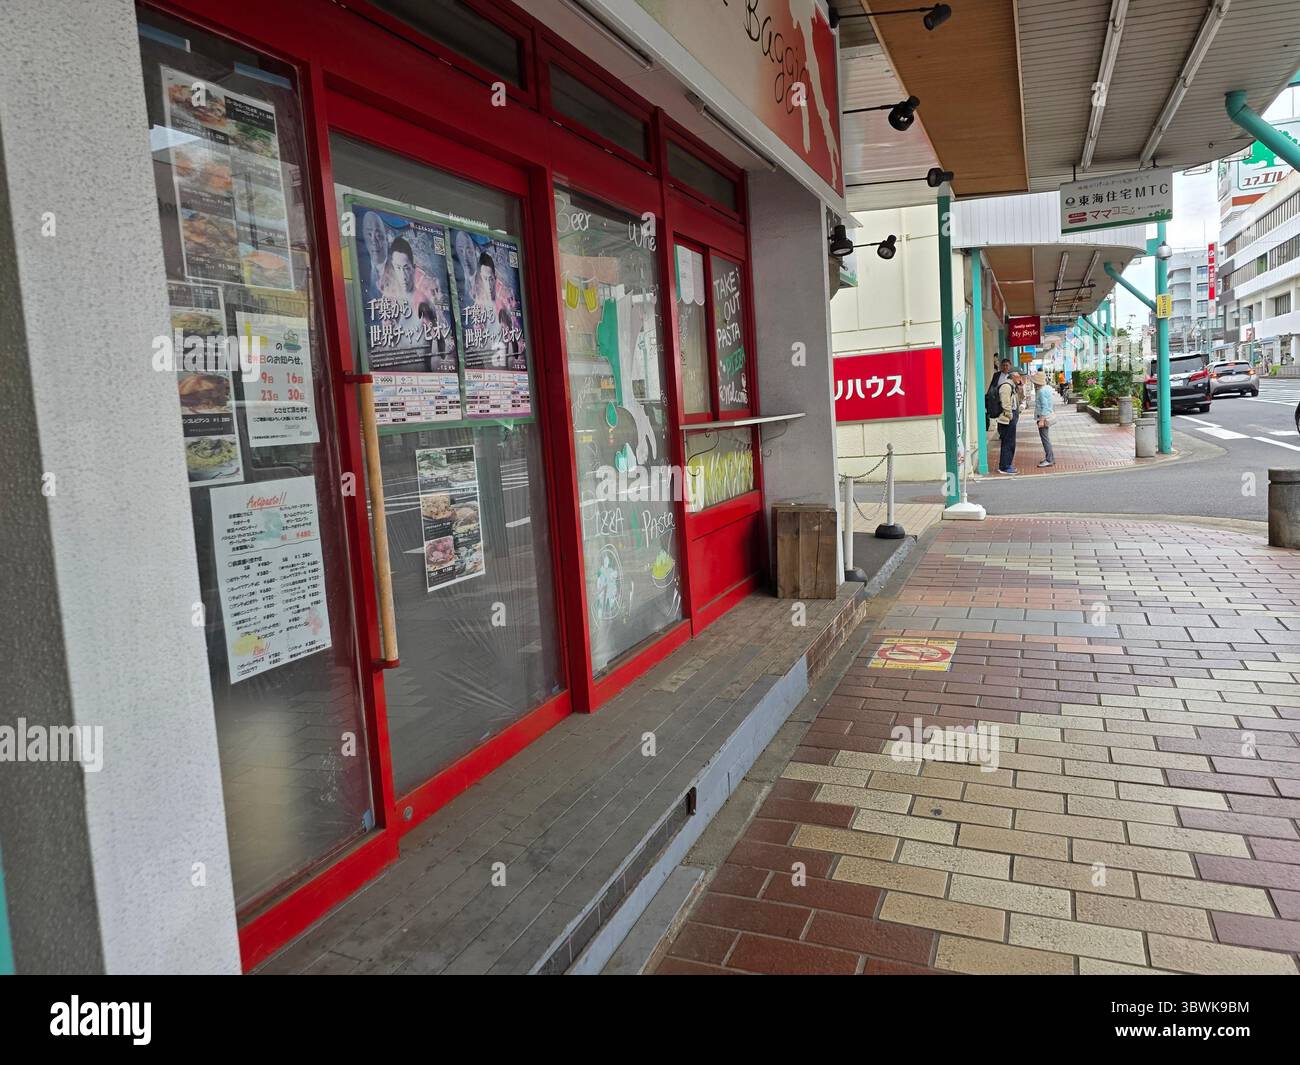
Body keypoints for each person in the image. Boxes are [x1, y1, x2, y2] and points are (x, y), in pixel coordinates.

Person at [997, 370, 1022, 475]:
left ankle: (1007, 464)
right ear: (1013, 377)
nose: (1020, 378)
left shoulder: (1012, 387)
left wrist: (1020, 388)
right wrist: (1010, 415)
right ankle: (1004, 466)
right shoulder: (1006, 387)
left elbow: (1018, 400)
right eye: (1019, 376)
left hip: (1010, 419)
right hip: (1006, 420)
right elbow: (1005, 403)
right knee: (1007, 443)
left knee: (1011, 443)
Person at [1032, 369, 1056, 468]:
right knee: (1046, 438)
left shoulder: (1041, 392)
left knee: (1045, 439)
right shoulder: (1047, 388)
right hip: (1047, 416)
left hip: (1043, 417)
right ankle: (1050, 458)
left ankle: (1049, 459)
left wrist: (1041, 420)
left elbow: (1044, 406)